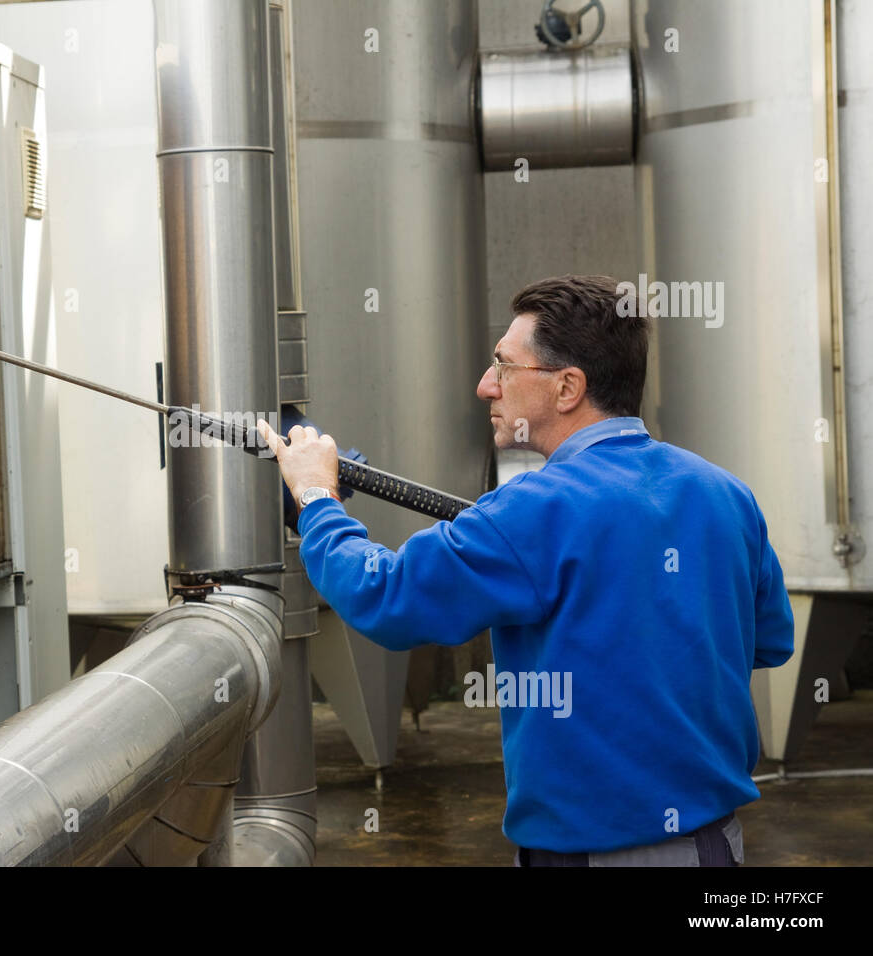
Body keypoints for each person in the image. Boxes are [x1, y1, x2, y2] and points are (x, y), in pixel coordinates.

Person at [256, 273, 794, 867]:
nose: (487, 386)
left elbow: (386, 597)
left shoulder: (533, 510)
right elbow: (766, 642)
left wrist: (314, 499)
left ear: (567, 387)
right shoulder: (726, 494)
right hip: (717, 848)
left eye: (504, 366)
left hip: (591, 855)